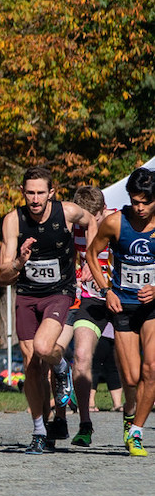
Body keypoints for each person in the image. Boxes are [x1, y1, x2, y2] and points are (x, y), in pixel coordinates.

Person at [0, 166, 99, 454]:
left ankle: (61, 367)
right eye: (30, 192)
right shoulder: (13, 221)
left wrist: (90, 259)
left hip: (59, 293)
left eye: (41, 192)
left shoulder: (66, 211)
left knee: (42, 347)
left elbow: (92, 222)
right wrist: (19, 262)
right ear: (23, 192)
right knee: (32, 366)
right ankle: (40, 430)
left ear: (51, 192)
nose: (35, 198)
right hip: (27, 295)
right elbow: (1, 276)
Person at [86, 167, 155, 456]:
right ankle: (129, 414)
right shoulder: (115, 222)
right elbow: (91, 254)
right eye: (134, 201)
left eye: (145, 203)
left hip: (152, 307)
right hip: (123, 305)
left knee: (152, 370)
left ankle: (136, 432)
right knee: (131, 378)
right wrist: (106, 290)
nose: (139, 208)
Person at [65, 186, 109, 446]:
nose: (89, 223)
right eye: (85, 218)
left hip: (124, 300)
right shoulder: (73, 231)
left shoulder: (118, 225)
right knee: (80, 356)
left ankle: (132, 419)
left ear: (103, 211)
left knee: (135, 369)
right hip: (91, 302)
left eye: (95, 217)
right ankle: (84, 423)